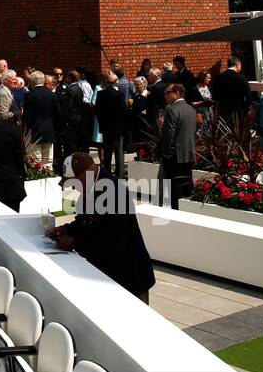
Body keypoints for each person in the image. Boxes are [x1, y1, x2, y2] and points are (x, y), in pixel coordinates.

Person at [46, 153, 155, 303]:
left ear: (88, 173)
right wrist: (67, 229)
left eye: (75, 182)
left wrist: (75, 243)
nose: (73, 187)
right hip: (109, 273)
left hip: (129, 275)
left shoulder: (113, 192)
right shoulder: (90, 186)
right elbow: (85, 220)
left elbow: (113, 241)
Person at [158, 83, 196, 209]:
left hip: (174, 155)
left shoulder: (172, 109)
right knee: (186, 186)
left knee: (175, 189)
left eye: (167, 93)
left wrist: (165, 152)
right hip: (188, 152)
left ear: (177, 93)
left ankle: (176, 212)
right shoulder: (191, 109)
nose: (165, 96)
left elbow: (169, 134)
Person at [94, 71, 129, 177]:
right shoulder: (119, 94)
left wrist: (102, 123)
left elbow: (97, 111)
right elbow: (124, 111)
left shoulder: (101, 94)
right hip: (117, 128)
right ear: (116, 82)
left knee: (107, 151)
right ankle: (119, 174)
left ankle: (107, 173)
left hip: (105, 127)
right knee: (118, 152)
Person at [25, 73, 58, 166]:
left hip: (35, 131)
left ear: (33, 82)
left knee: (36, 162)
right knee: (48, 163)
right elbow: (58, 115)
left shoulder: (29, 95)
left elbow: (28, 116)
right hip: (49, 131)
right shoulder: (52, 95)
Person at [211, 57, 251, 124]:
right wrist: (245, 109)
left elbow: (215, 96)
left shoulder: (218, 78)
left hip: (223, 113)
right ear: (237, 65)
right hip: (238, 112)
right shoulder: (241, 77)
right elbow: (248, 96)